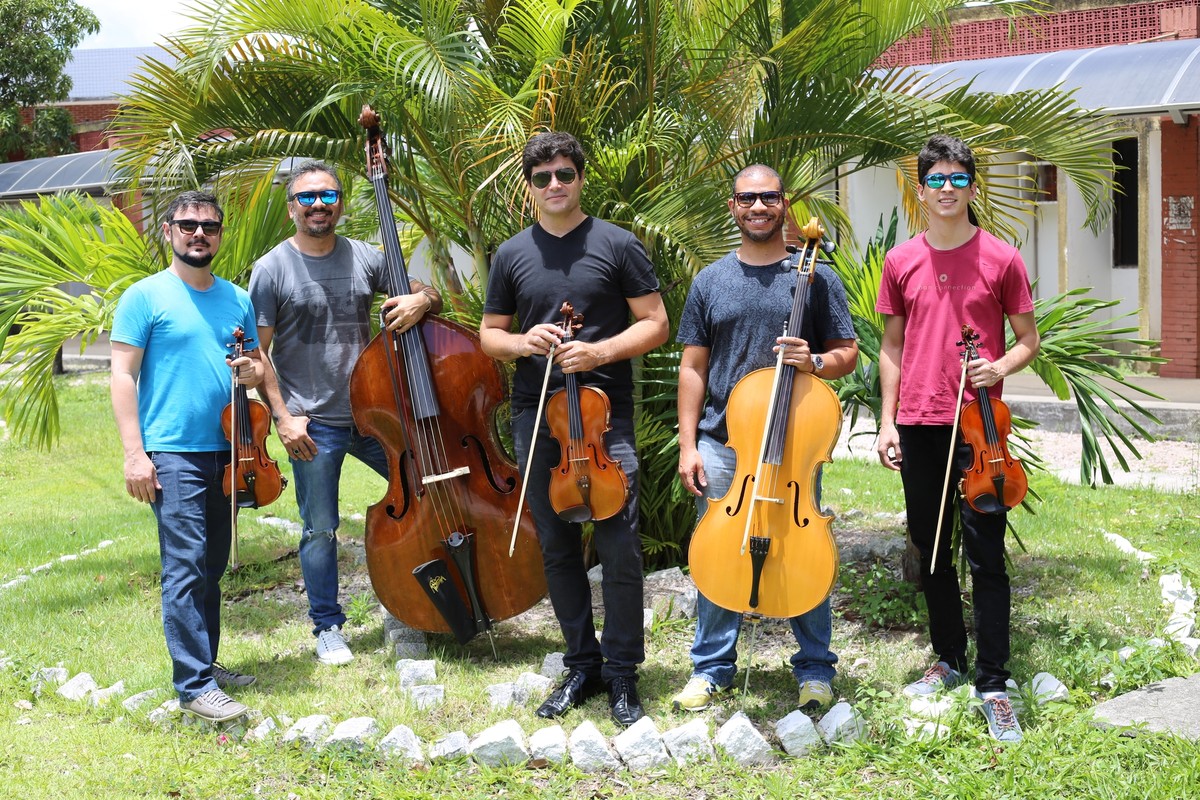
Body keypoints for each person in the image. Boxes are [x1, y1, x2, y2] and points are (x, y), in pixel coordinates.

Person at [480, 131, 669, 727]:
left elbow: (657, 323)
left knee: (618, 547)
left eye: (564, 174)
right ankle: (580, 665)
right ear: (531, 186)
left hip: (602, 417)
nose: (555, 185)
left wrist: (600, 352)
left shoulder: (617, 244)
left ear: (580, 178)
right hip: (536, 416)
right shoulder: (511, 254)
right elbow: (491, 334)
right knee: (558, 547)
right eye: (542, 178)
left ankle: (622, 674)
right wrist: (522, 342)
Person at [671, 165, 859, 714]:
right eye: (748, 198)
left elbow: (846, 353)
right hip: (723, 442)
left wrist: (816, 360)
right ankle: (711, 669)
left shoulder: (815, 276)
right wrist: (687, 445)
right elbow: (693, 367)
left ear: (784, 205)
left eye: (769, 197)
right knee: (718, 547)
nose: (758, 206)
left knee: (805, 544)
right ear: (732, 206)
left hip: (796, 441)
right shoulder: (709, 282)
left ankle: (816, 668)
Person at [875, 134, 1040, 743]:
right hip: (919, 422)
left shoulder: (1002, 259)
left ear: (972, 186)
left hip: (979, 428)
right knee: (932, 549)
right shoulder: (901, 261)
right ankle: (948, 658)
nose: (947, 189)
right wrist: (888, 420)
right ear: (921, 190)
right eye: (936, 179)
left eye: (957, 178)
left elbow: (1028, 340)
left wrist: (998, 368)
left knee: (986, 556)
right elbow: (891, 348)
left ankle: (993, 681)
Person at [248, 161, 442, 665]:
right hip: (314, 421)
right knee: (319, 528)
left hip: (378, 415)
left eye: (327, 197)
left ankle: (425, 599)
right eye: (307, 198)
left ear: (339, 202)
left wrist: (422, 303)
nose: (318, 206)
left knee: (427, 493)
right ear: (291, 207)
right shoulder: (271, 269)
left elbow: (428, 291)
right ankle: (328, 627)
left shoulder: (365, 257)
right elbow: (257, 354)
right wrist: (284, 418)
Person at [111, 190, 263, 723]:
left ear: (220, 234)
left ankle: (207, 662)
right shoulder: (144, 296)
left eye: (210, 226)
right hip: (172, 451)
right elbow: (122, 375)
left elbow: (258, 366)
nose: (199, 234)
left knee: (213, 564)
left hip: (232, 448)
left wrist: (253, 372)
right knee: (184, 564)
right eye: (188, 225)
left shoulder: (238, 298)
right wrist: (135, 454)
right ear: (169, 231)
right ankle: (194, 686)